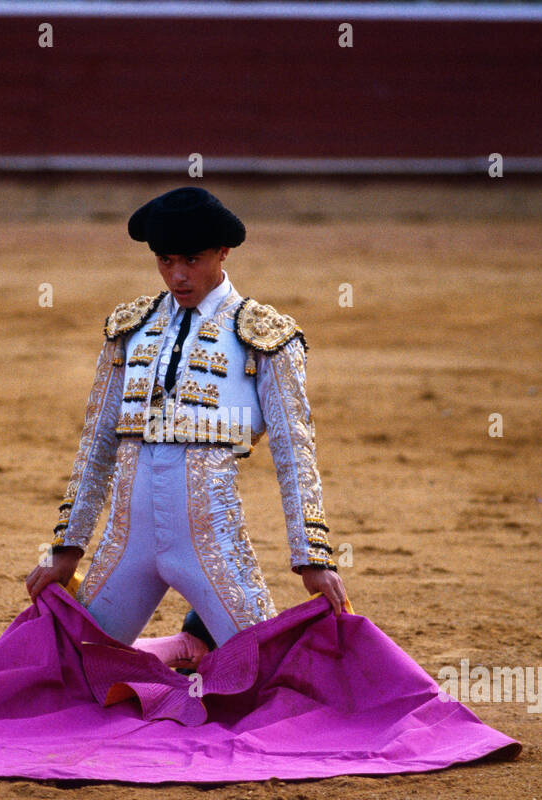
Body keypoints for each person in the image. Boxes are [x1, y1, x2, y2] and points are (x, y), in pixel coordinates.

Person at [25, 186, 347, 669]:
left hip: (209, 541)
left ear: (223, 252)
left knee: (269, 677)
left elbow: (294, 452)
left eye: (192, 260)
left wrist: (314, 556)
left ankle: (197, 643)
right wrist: (66, 545)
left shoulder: (263, 335)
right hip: (126, 540)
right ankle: (192, 646)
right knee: (72, 669)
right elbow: (96, 442)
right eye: (165, 260)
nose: (178, 276)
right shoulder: (130, 329)